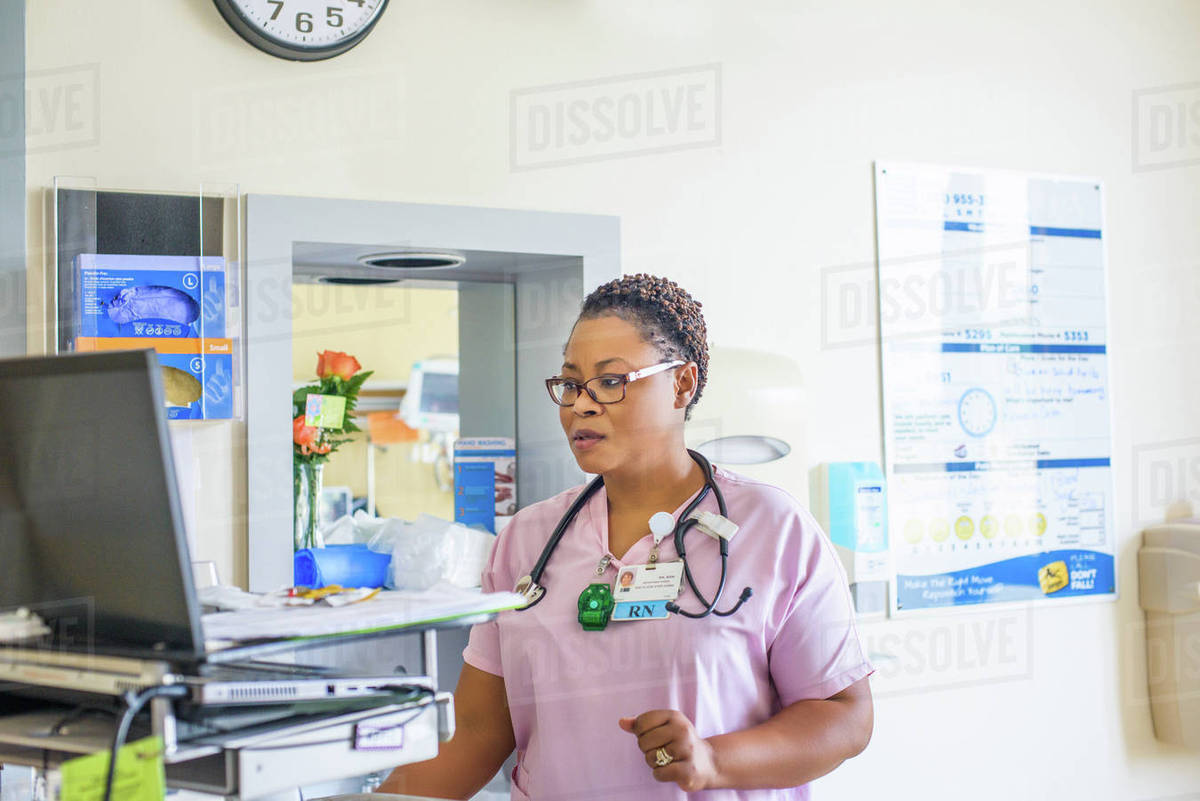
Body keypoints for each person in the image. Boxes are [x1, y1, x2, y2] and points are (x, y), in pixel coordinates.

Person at [378, 274, 874, 800]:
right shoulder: (527, 539)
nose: (581, 405)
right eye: (570, 385)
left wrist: (712, 760)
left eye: (611, 381)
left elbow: (844, 716)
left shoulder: (773, 529)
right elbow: (478, 735)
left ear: (682, 384)